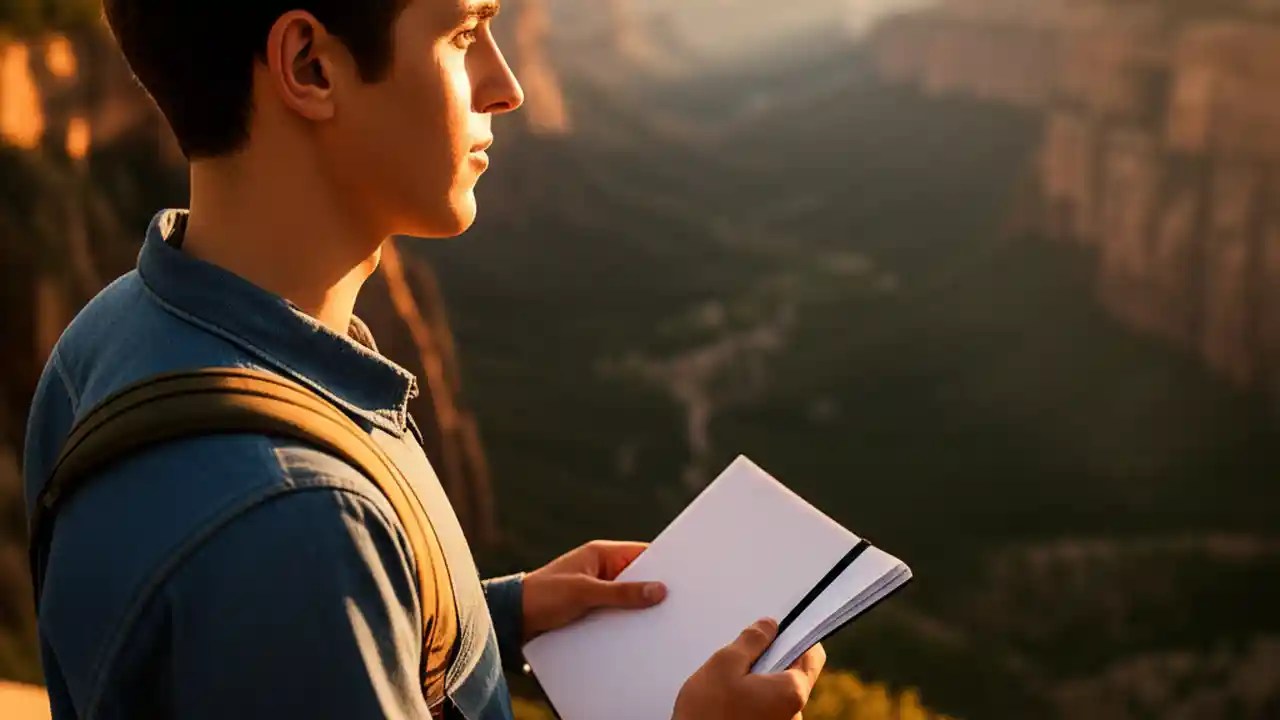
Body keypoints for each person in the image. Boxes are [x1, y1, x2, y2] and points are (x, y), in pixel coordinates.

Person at [22, 2, 827, 719]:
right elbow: (280, 586)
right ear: (310, 66)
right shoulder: (301, 530)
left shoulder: (107, 337)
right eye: (466, 34)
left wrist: (484, 619)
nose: (507, 86)